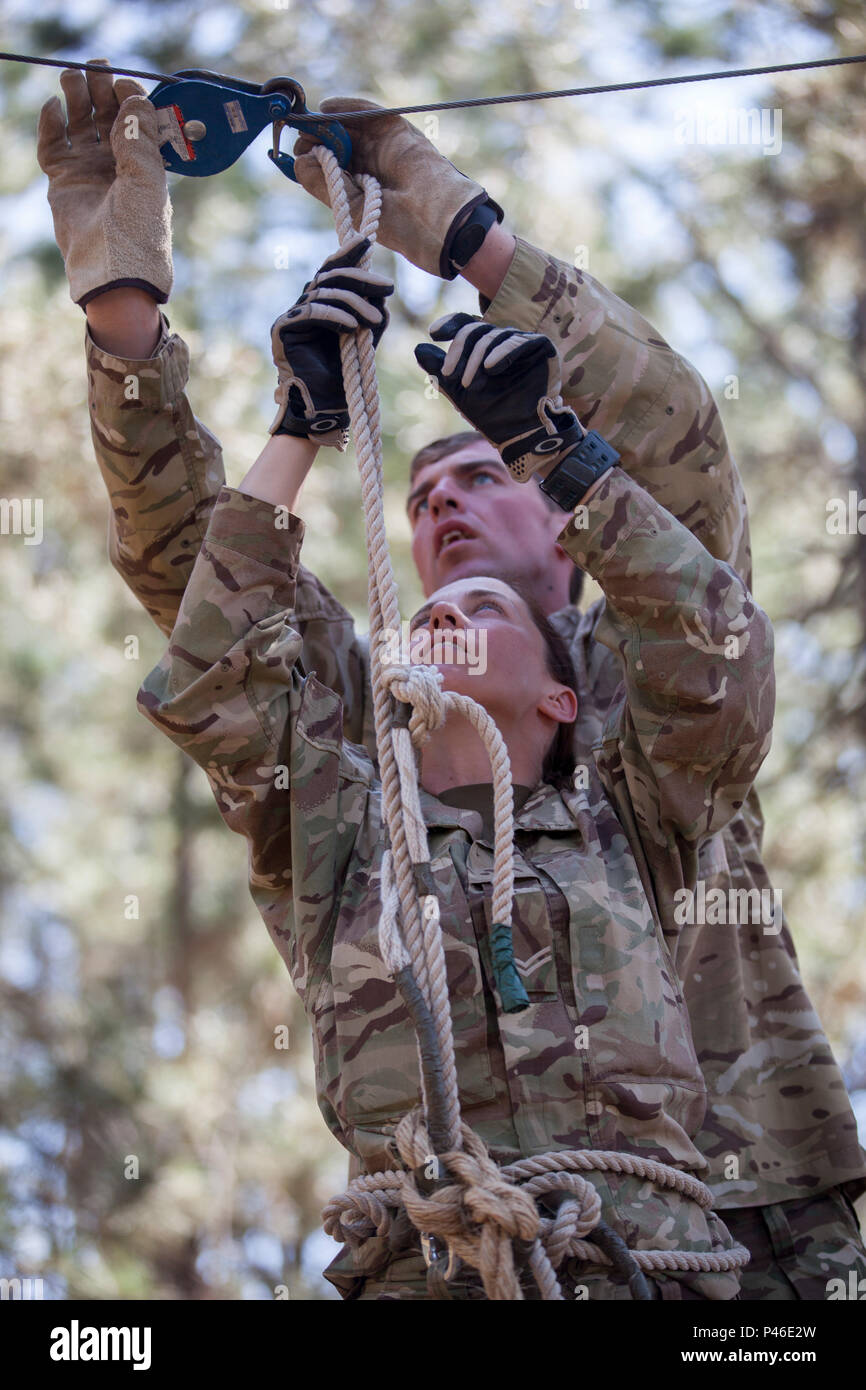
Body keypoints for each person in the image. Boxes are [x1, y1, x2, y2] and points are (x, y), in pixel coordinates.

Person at [37, 65, 866, 1298]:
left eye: (479, 479)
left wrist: (449, 223)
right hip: (448, 1240)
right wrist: (124, 323)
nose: (443, 511)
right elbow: (203, 581)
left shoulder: (650, 662)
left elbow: (670, 432)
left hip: (737, 1219)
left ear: (555, 521)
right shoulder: (371, 737)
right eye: (422, 504)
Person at [133, 229, 776, 1299]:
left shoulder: (634, 817)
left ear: (561, 692)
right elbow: (211, 681)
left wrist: (555, 449)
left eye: (480, 608)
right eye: (427, 614)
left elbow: (717, 648)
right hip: (420, 1271)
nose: (447, 619)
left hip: (637, 1272)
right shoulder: (335, 830)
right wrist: (297, 428)